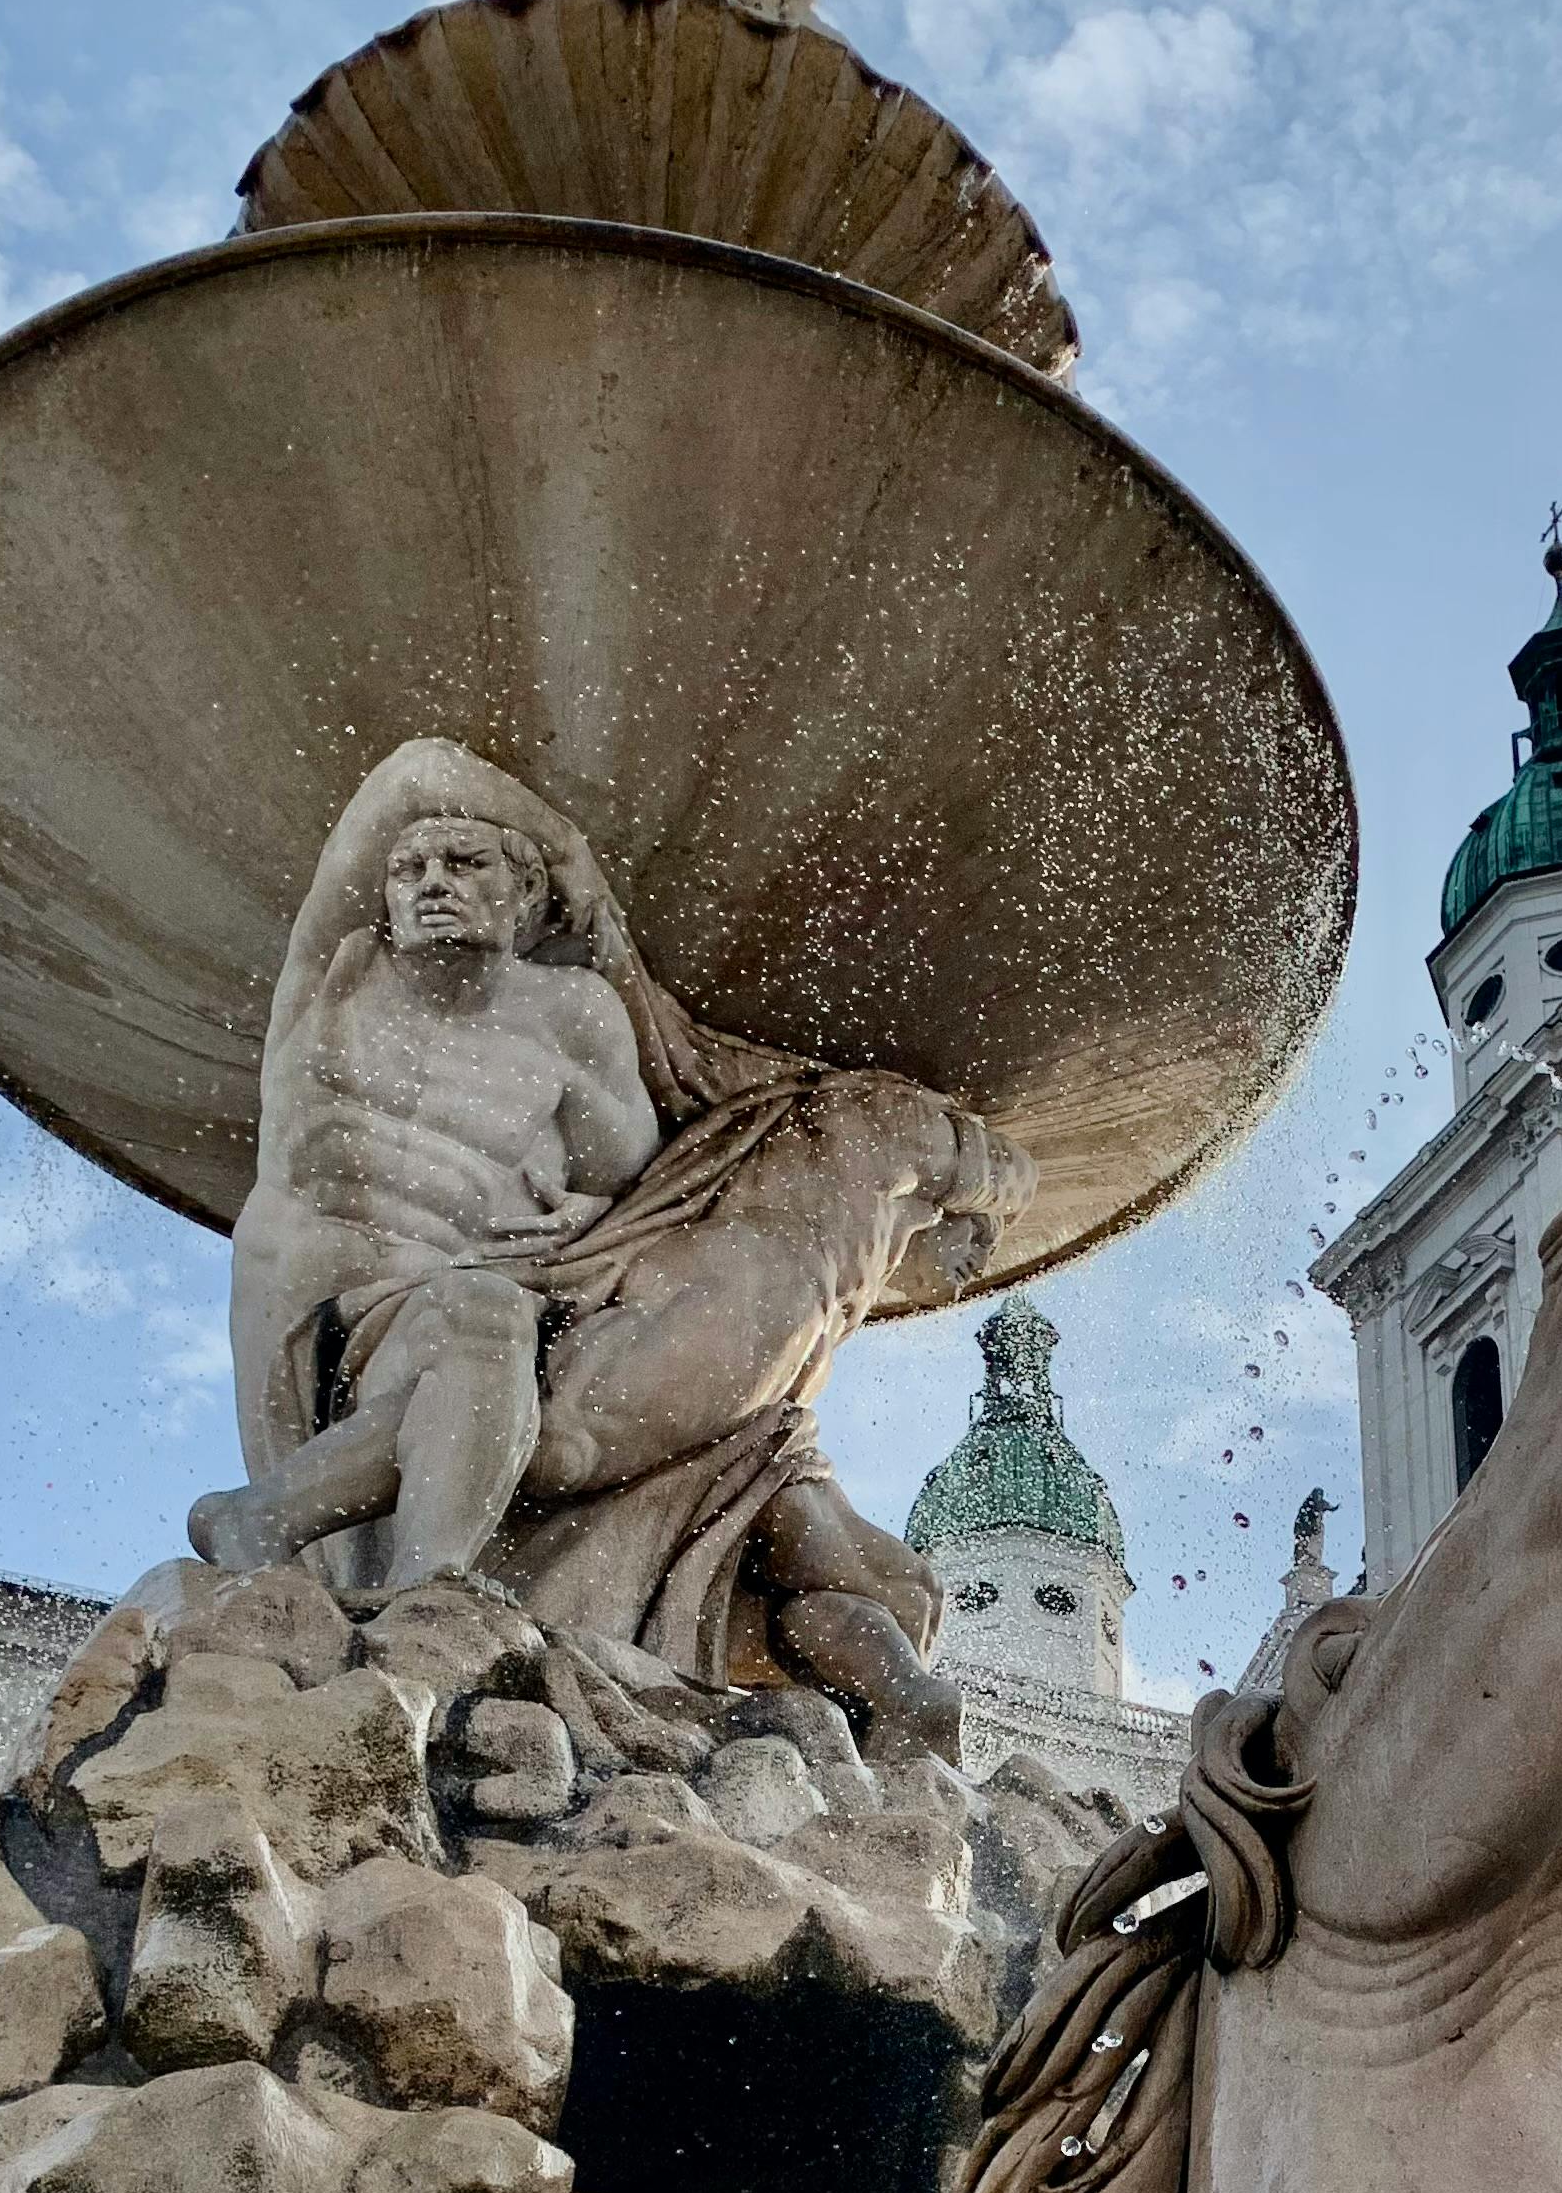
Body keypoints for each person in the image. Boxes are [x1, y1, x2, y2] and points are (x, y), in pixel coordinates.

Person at [190, 740, 1035, 1747]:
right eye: (412, 870)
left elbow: (630, 1175)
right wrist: (576, 854)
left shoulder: (572, 1017)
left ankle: (847, 1742)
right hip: (341, 1322)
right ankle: (415, 1619)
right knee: (490, 1317)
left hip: (519, 1309)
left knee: (846, 1549)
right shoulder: (336, 977)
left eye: (467, 867)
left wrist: (598, 1222)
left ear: (524, 899)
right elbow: (411, 773)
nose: (431, 887)